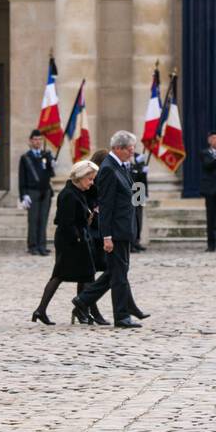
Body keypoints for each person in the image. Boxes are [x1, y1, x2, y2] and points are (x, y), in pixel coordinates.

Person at [73, 130, 144, 328]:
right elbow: (106, 206)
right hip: (116, 230)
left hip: (126, 228)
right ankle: (121, 316)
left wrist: (140, 178)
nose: (133, 152)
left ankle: (83, 300)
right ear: (118, 149)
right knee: (118, 275)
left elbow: (137, 198)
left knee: (115, 272)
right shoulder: (108, 169)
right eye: (130, 149)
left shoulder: (123, 166)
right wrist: (107, 236)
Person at [33, 159, 104, 325]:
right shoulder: (68, 194)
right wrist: (78, 238)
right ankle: (42, 310)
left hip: (80, 237)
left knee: (85, 275)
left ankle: (81, 310)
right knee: (60, 275)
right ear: (80, 178)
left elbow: (95, 194)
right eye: (89, 179)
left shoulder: (80, 191)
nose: (92, 182)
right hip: (71, 240)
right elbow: (66, 222)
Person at [18, 129, 55, 256]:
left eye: (39, 139)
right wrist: (23, 195)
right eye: (35, 139)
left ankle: (42, 245)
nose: (37, 142)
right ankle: (32, 245)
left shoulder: (46, 155)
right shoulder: (26, 158)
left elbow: (51, 174)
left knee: (43, 219)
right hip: (32, 191)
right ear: (30, 141)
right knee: (33, 220)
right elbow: (22, 178)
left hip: (45, 191)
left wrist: (51, 163)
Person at [129, 144, 149, 253]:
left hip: (139, 190)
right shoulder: (126, 159)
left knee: (138, 217)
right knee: (131, 217)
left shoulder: (139, 157)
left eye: (133, 146)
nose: (131, 149)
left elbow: (143, 177)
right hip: (131, 190)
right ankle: (131, 242)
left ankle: (137, 241)